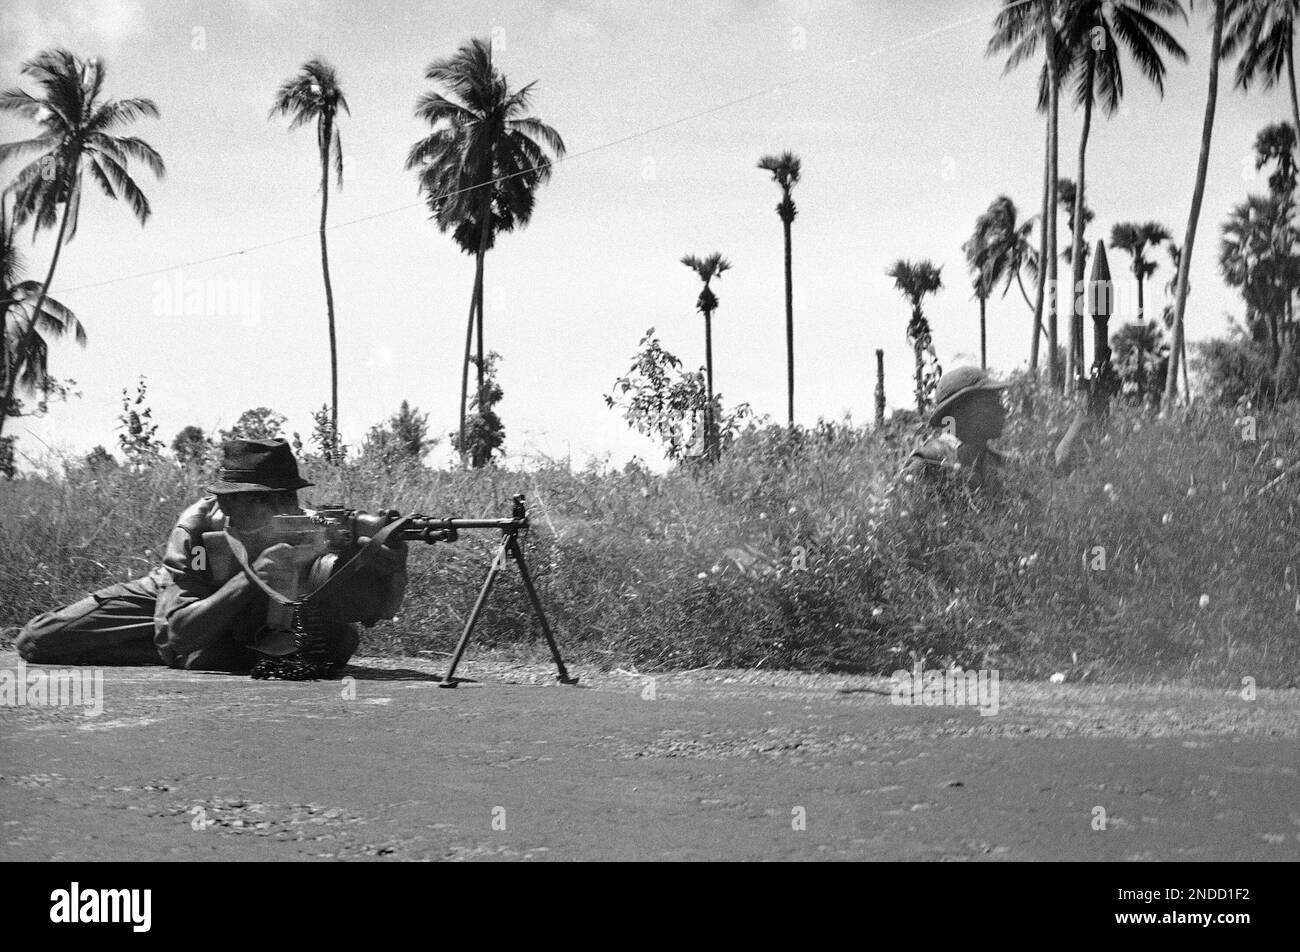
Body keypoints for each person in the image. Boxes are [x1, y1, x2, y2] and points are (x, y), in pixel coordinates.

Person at [16, 438, 408, 673]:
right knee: (38, 641)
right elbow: (179, 624)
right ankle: (186, 652)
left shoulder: (317, 527)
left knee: (339, 642)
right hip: (177, 596)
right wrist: (251, 576)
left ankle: (199, 651)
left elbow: (373, 614)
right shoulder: (200, 529)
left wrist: (388, 564)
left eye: (279, 499)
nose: (232, 507)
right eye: (230, 498)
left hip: (247, 615)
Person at [899, 366, 1008, 491]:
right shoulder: (928, 464)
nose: (1003, 410)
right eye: (990, 404)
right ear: (961, 410)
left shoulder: (999, 463)